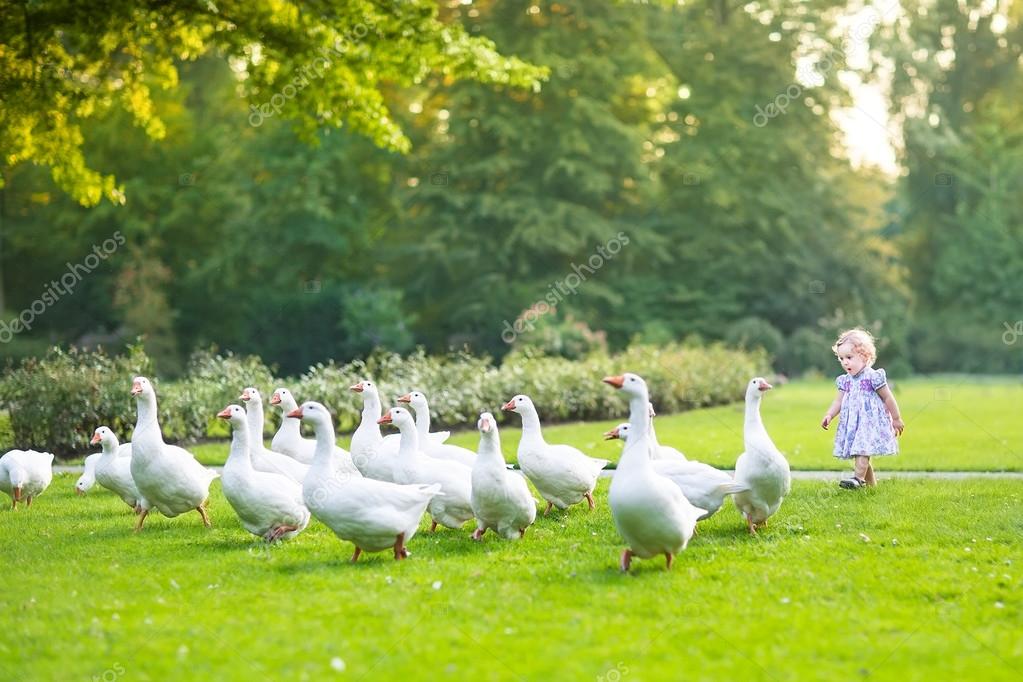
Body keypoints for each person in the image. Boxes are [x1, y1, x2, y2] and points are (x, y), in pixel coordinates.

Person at [821, 328, 904, 488]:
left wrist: (896, 418)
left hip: (870, 422)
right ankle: (871, 487)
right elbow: (838, 402)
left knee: (862, 450)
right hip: (853, 423)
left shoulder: (873, 377)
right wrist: (829, 415)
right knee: (860, 452)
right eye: (841, 358)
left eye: (849, 357)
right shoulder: (845, 380)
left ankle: (858, 480)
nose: (845, 362)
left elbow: (887, 397)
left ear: (864, 356)